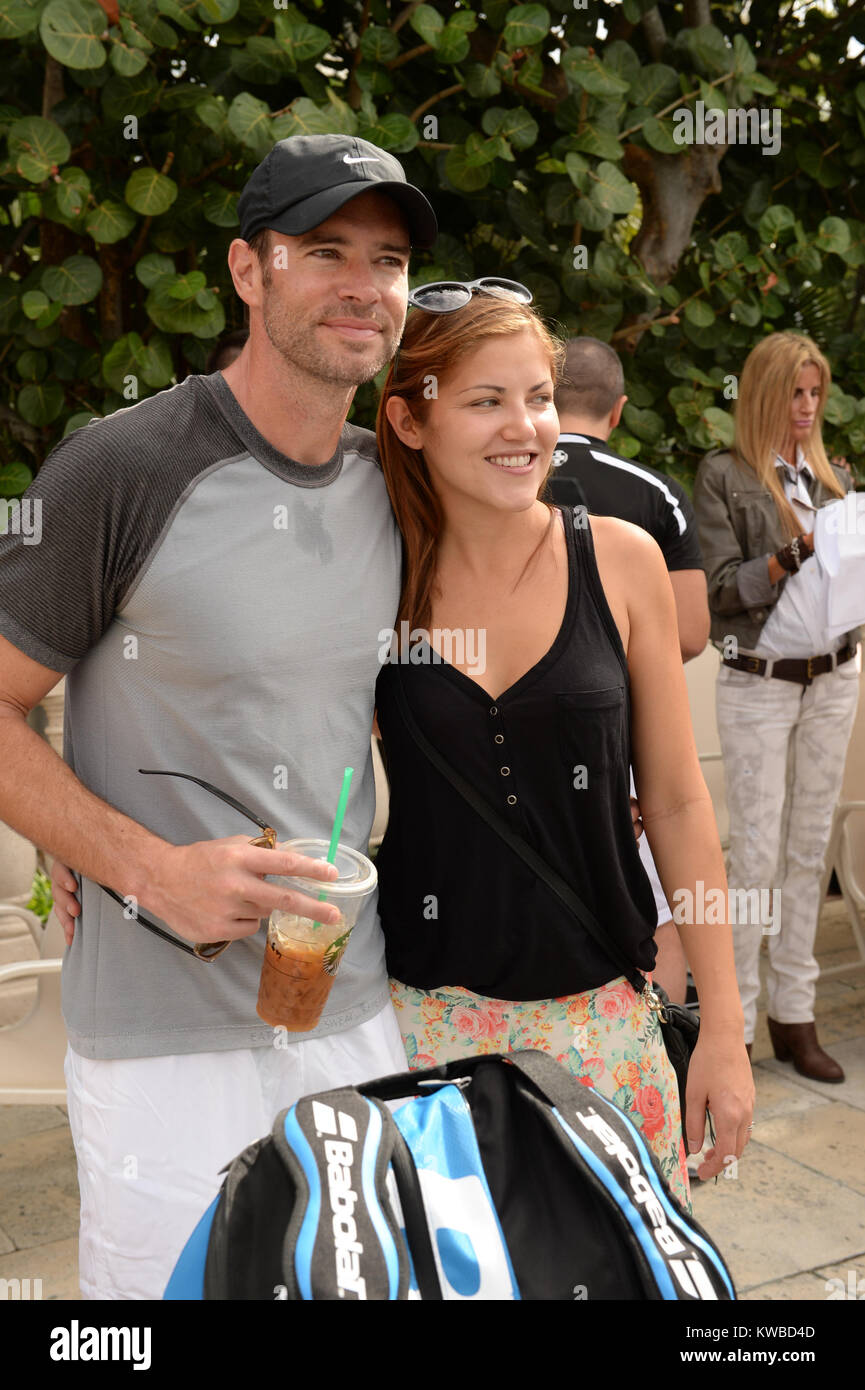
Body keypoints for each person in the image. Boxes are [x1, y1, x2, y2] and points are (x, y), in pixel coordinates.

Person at [0, 133, 438, 1299]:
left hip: (349, 1008)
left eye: (388, 259)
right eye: (326, 250)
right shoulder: (122, 469)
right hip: (160, 1035)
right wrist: (142, 866)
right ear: (249, 271)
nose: (365, 284)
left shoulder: (394, 484)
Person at [372, 286, 754, 1209]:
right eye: (484, 400)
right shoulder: (368, 574)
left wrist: (725, 1029)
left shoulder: (621, 559)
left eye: (538, 396)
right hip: (423, 1037)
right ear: (408, 420)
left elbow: (672, 798)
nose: (525, 427)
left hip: (606, 1030)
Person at [693, 331, 861, 1081]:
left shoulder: (836, 474)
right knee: (756, 853)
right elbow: (718, 589)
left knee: (808, 847)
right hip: (758, 678)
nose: (805, 406)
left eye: (815, 392)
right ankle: (731, 1020)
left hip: (835, 674)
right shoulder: (723, 475)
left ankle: (794, 1011)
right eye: (793, 392)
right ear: (764, 393)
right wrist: (791, 553)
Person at [549, 337, 710, 1004]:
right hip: (626, 740)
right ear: (616, 411)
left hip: (505, 734)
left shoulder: (492, 475)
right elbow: (693, 632)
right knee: (658, 921)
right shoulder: (654, 493)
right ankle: (654, 1060)